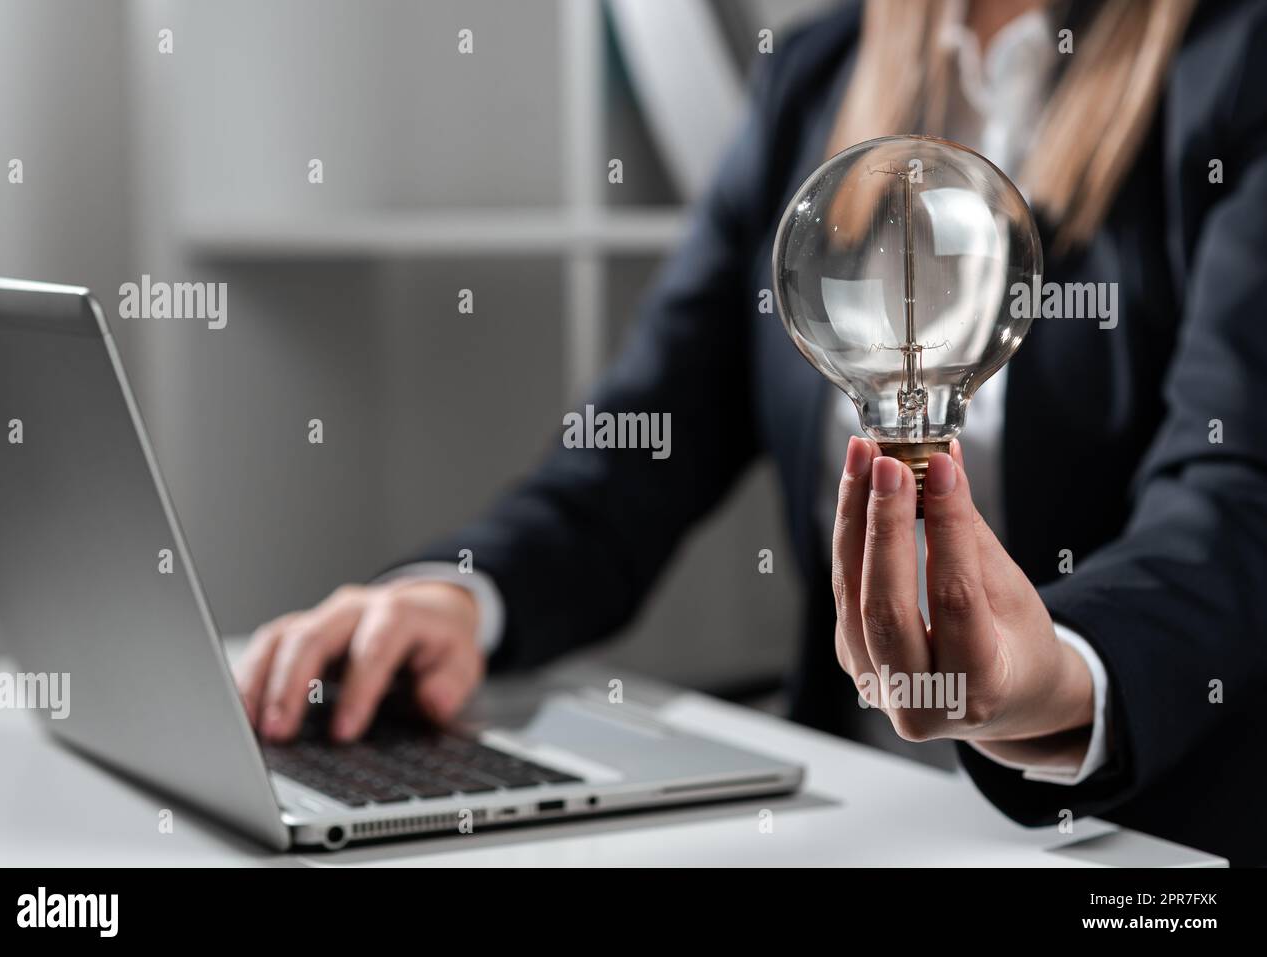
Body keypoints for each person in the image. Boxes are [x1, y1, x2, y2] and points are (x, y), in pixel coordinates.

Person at [236, 0, 1267, 863]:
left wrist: (1054, 678)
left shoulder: (1238, 63)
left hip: (1135, 835)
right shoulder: (815, 77)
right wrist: (458, 592)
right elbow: (638, 443)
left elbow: (1232, 493)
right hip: (852, 813)